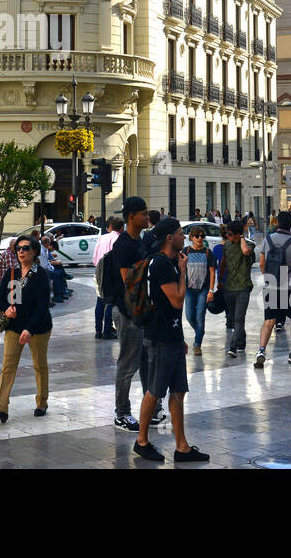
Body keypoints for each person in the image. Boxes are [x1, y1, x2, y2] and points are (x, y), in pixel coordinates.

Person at [132, 217, 210, 463]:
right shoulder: (161, 264)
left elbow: (173, 309)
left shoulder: (171, 261)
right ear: (169, 238)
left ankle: (182, 447)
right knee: (154, 391)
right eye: (179, 233)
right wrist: (184, 271)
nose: (184, 237)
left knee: (178, 391)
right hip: (159, 338)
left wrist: (181, 336)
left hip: (172, 336)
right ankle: (141, 441)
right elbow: (177, 300)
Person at [0, 236, 53, 422]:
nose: (21, 252)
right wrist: (7, 308)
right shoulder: (12, 272)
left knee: (39, 365)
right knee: (7, 366)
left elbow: (42, 306)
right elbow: (0, 298)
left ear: (35, 252)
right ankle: (1, 408)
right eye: (19, 249)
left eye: (26, 248)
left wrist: (29, 329)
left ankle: (42, 402)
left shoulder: (41, 275)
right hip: (14, 327)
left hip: (37, 328)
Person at [110, 196, 155, 433]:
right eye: (144, 214)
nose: (147, 218)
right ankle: (122, 413)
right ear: (131, 217)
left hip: (141, 312)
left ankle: (152, 410)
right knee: (127, 365)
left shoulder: (140, 242)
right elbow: (130, 283)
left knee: (147, 362)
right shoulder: (124, 245)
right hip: (128, 313)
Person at [254, 210, 291, 367]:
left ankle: (261, 350)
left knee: (269, 320)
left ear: (276, 223)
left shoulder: (267, 240)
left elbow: (262, 263)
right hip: (289, 287)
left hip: (271, 286)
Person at [213, 218, 254, 357]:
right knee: (233, 317)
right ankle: (241, 341)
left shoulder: (248, 245)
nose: (227, 237)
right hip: (229, 287)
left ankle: (233, 347)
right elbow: (223, 263)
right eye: (227, 234)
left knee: (239, 318)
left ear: (238, 234)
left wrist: (242, 238)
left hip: (243, 287)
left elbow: (245, 252)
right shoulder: (227, 246)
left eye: (230, 234)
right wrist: (219, 280)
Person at [180, 225, 216, 355]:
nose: (200, 238)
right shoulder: (186, 251)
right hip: (189, 289)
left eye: (202, 236)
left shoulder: (208, 252)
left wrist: (211, 290)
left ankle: (197, 344)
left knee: (200, 317)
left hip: (203, 289)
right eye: (197, 236)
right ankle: (200, 331)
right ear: (191, 238)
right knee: (189, 316)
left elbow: (212, 272)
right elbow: (181, 270)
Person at [92, 217, 121, 340]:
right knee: (110, 301)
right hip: (111, 272)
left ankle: (98, 330)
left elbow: (94, 257)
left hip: (99, 270)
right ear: (121, 228)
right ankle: (107, 331)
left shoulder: (102, 237)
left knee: (100, 301)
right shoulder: (119, 238)